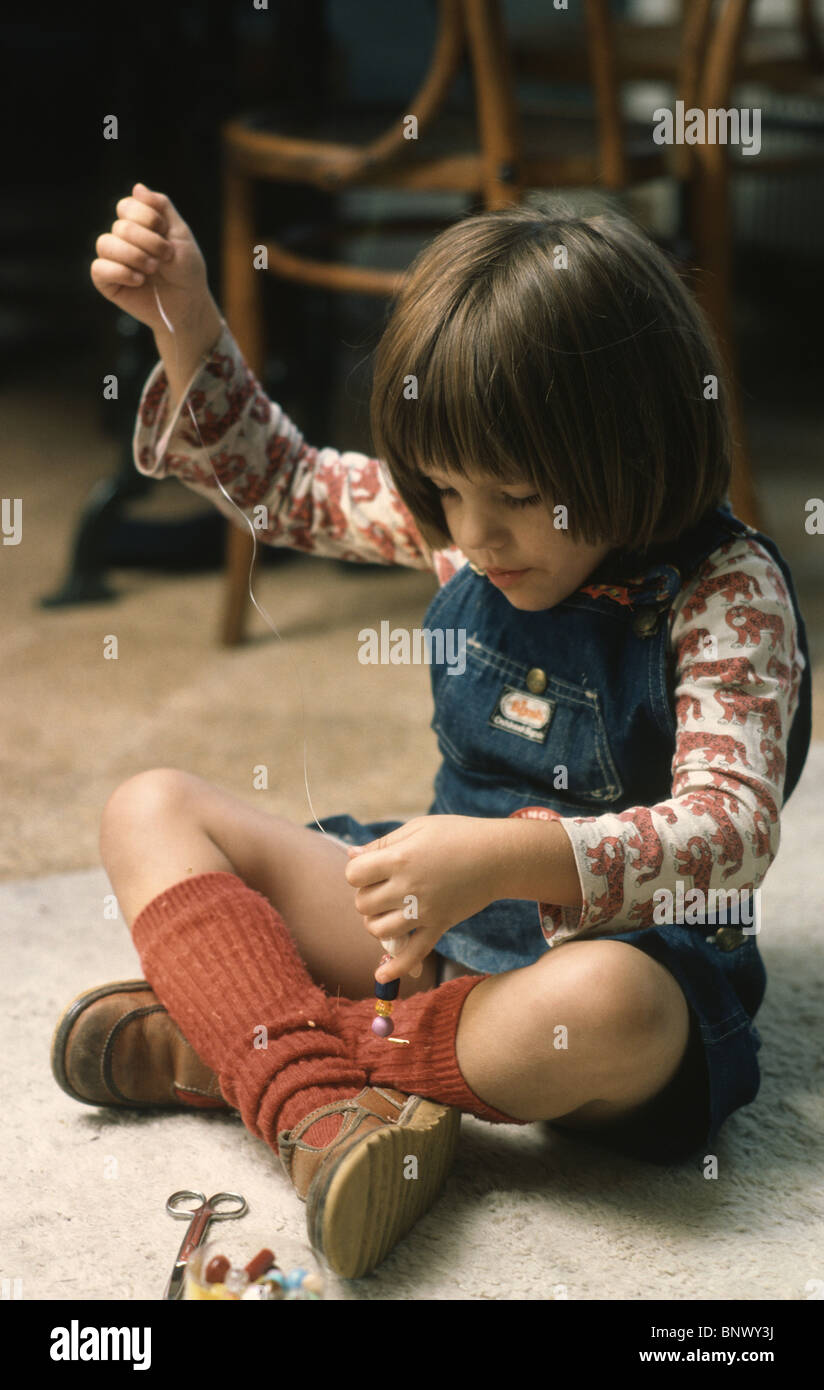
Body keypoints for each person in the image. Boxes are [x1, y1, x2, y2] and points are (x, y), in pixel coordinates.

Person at [52, 183, 811, 1281]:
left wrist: (508, 860)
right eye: (446, 491)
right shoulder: (464, 520)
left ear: (634, 449)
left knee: (616, 1010)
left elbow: (730, 829)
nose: (473, 532)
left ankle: (256, 1051)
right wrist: (186, 321)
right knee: (149, 806)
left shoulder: (722, 592)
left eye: (511, 495)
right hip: (423, 936)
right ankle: (321, 1103)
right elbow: (286, 489)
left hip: (596, 969)